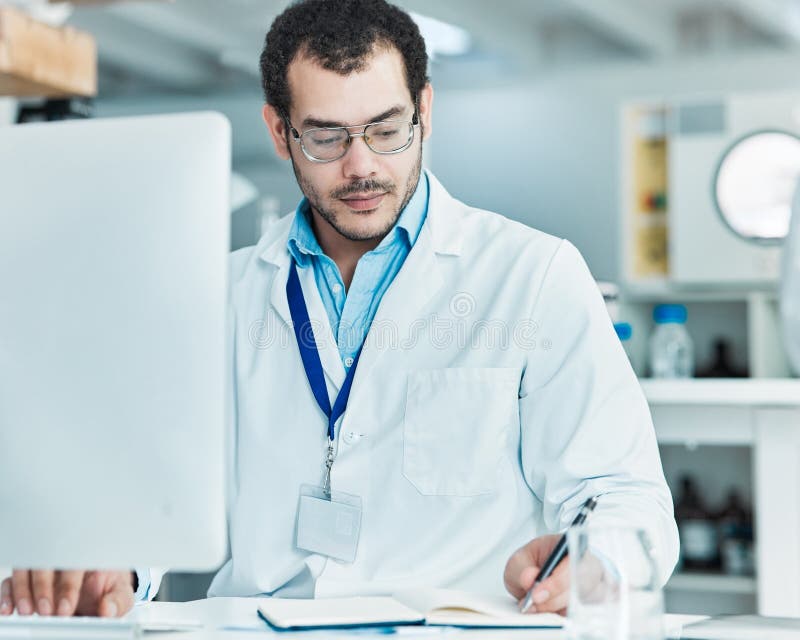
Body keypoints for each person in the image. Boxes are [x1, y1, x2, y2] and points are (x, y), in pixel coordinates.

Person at [0, 0, 679, 620]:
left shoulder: (532, 276)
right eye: (325, 138)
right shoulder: (221, 294)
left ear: (426, 111)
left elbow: (627, 498)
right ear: (278, 130)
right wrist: (112, 564)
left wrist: (595, 560)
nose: (360, 167)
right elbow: (154, 490)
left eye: (386, 130)